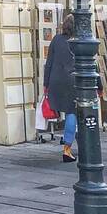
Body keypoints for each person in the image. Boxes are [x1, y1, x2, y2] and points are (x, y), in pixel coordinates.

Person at [44, 14, 77, 163]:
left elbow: (49, 63)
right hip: (73, 81)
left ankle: (68, 147)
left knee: (68, 111)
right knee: (73, 112)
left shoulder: (56, 40)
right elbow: (90, 64)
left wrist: (46, 84)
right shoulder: (79, 41)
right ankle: (67, 149)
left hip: (56, 80)